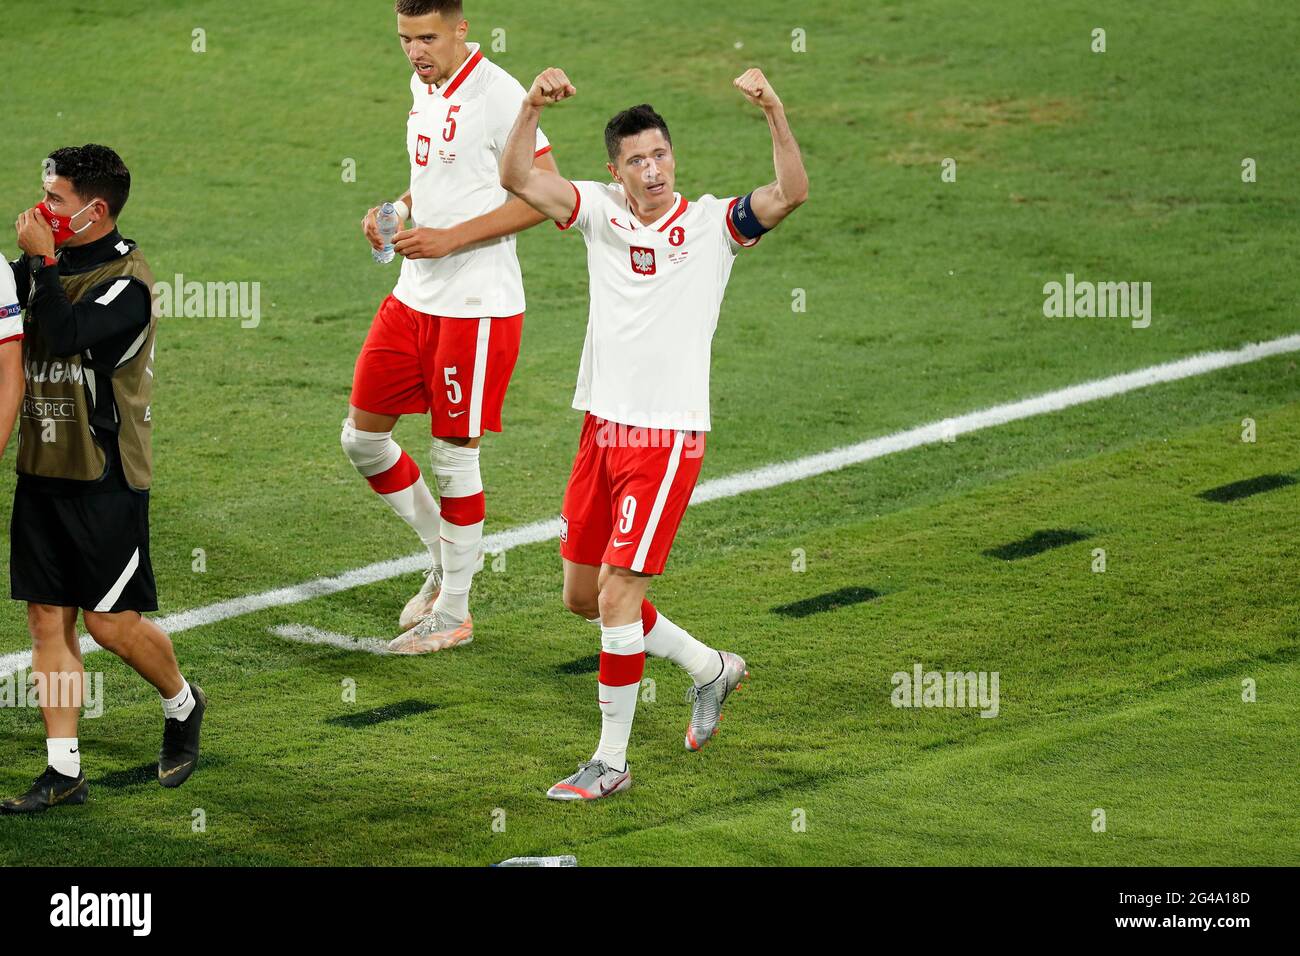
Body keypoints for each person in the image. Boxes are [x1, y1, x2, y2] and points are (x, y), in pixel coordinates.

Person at [500, 68, 809, 799]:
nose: (653, 169)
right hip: (601, 430)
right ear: (617, 171)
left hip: (666, 438)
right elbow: (516, 174)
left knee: (615, 598)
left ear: (674, 156)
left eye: (661, 154)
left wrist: (774, 111)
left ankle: (610, 761)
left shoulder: (711, 225)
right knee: (581, 595)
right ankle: (711, 668)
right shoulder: (600, 212)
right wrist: (531, 105)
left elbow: (789, 193)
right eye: (637, 160)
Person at [344, 0, 560, 655]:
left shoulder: (500, 97)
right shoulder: (424, 85)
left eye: (428, 37)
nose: (415, 50)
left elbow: (546, 195)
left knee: (454, 456)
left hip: (478, 308)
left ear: (462, 28)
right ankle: (444, 555)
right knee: (363, 439)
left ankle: (457, 613)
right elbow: (438, 176)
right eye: (406, 38)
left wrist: (451, 240)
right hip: (413, 299)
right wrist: (397, 209)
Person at [2, 144, 205, 814]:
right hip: (42, 464)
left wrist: (38, 262)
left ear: (94, 211)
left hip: (105, 476)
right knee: (45, 620)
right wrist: (28, 270)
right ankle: (64, 770)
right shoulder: (43, 270)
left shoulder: (128, 286)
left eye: (55, 200)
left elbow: (61, 335)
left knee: (111, 623)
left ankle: (181, 702)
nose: (41, 210)